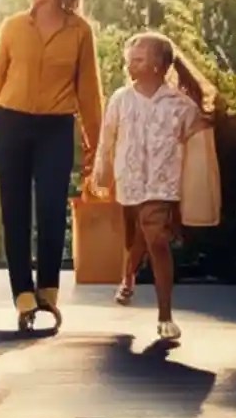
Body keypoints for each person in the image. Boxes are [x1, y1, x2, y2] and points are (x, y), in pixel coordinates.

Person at [0, 0, 104, 332]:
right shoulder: (12, 26)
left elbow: (90, 93)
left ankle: (49, 292)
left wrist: (99, 150)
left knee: (52, 210)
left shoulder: (80, 32)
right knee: (15, 209)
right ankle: (22, 294)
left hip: (56, 128)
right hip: (9, 123)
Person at [92, 32, 215, 341]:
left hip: (162, 183)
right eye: (129, 59)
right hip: (129, 180)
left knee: (157, 238)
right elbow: (107, 141)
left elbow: (199, 137)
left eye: (139, 59)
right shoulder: (120, 100)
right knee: (136, 240)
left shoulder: (181, 105)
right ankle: (129, 274)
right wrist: (101, 176)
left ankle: (165, 316)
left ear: (159, 65)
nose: (131, 65)